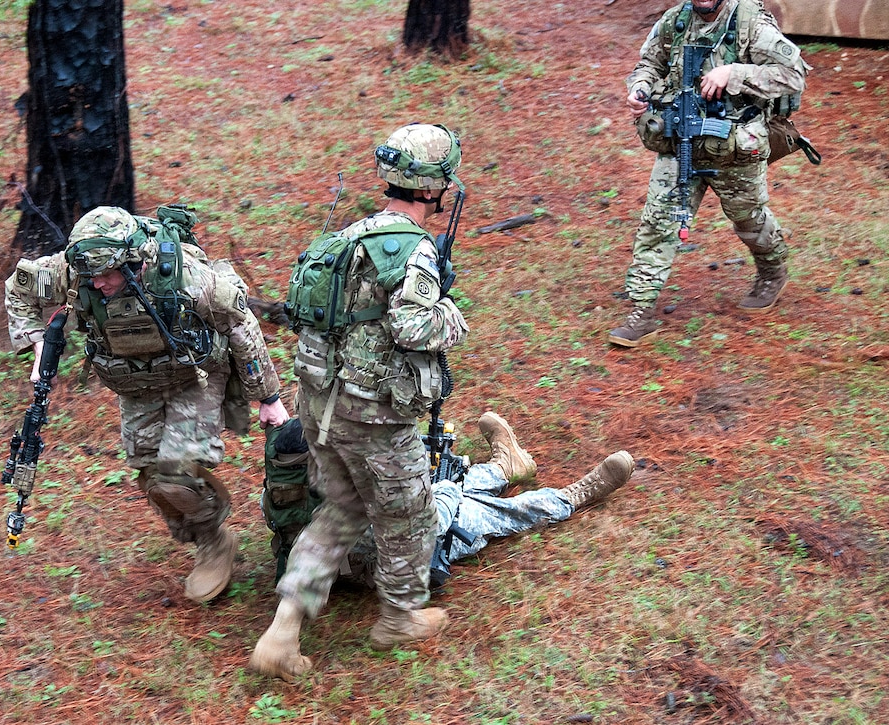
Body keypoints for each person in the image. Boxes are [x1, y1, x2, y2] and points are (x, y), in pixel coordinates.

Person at [249, 123, 470, 682]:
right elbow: (414, 326)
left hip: (319, 407)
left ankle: (283, 628)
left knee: (341, 510)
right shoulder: (412, 249)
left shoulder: (345, 238)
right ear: (433, 188)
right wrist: (453, 316)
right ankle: (398, 616)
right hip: (372, 414)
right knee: (410, 513)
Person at [4, 204, 289, 602]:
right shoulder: (73, 271)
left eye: (109, 274)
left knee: (176, 472)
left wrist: (268, 397)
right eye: (92, 276)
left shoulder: (187, 278)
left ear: (134, 261)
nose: (99, 283)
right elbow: (17, 289)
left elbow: (240, 323)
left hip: (197, 374)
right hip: (135, 381)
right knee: (154, 480)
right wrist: (37, 345)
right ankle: (211, 538)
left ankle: (211, 543)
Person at [609, 0, 808, 348]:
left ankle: (772, 270)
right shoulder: (675, 20)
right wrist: (639, 89)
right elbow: (648, 64)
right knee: (659, 223)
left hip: (733, 146)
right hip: (679, 139)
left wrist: (735, 73)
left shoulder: (749, 22)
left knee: (749, 219)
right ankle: (641, 309)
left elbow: (793, 74)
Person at [261, 414, 635, 593]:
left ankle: (506, 466)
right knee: (488, 510)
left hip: (366, 545)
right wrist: (443, 487)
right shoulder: (344, 517)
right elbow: (429, 522)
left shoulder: (279, 493)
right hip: (409, 550)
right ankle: (571, 497)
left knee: (446, 484)